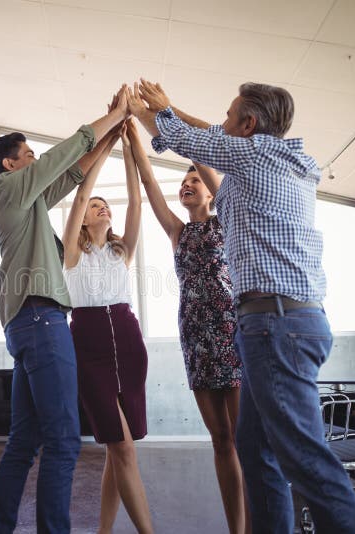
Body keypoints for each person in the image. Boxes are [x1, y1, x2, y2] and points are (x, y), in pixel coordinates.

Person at [127, 80, 355, 533]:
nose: (220, 123)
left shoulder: (253, 156)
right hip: (278, 321)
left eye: (228, 115)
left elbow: (189, 138)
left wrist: (157, 109)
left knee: (304, 457)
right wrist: (171, 114)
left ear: (249, 124)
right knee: (255, 451)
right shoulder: (279, 161)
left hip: (276, 324)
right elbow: (209, 139)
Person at [0, 86, 130, 534]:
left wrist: (111, 136)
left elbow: (73, 177)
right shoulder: (8, 189)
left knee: (24, 441)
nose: (35, 158)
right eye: (28, 154)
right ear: (11, 164)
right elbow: (62, 157)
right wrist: (112, 117)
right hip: (41, 320)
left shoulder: (26, 206)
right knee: (64, 441)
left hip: (28, 323)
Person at [126, 110, 248, 533]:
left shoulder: (229, 221)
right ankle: (236, 528)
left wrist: (170, 122)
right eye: (184, 181)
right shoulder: (179, 232)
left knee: (242, 441)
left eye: (195, 180)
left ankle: (256, 523)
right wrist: (135, 141)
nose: (187, 184)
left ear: (211, 193)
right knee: (220, 441)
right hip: (196, 338)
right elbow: (150, 185)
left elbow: (215, 170)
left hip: (231, 335)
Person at [62, 118, 152, 534]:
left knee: (123, 448)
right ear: (83, 222)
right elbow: (80, 197)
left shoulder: (121, 253)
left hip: (128, 341)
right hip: (89, 343)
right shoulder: (72, 255)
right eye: (97, 207)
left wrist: (131, 149)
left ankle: (104, 530)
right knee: (121, 446)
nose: (103, 208)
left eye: (105, 206)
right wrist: (106, 142)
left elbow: (136, 203)